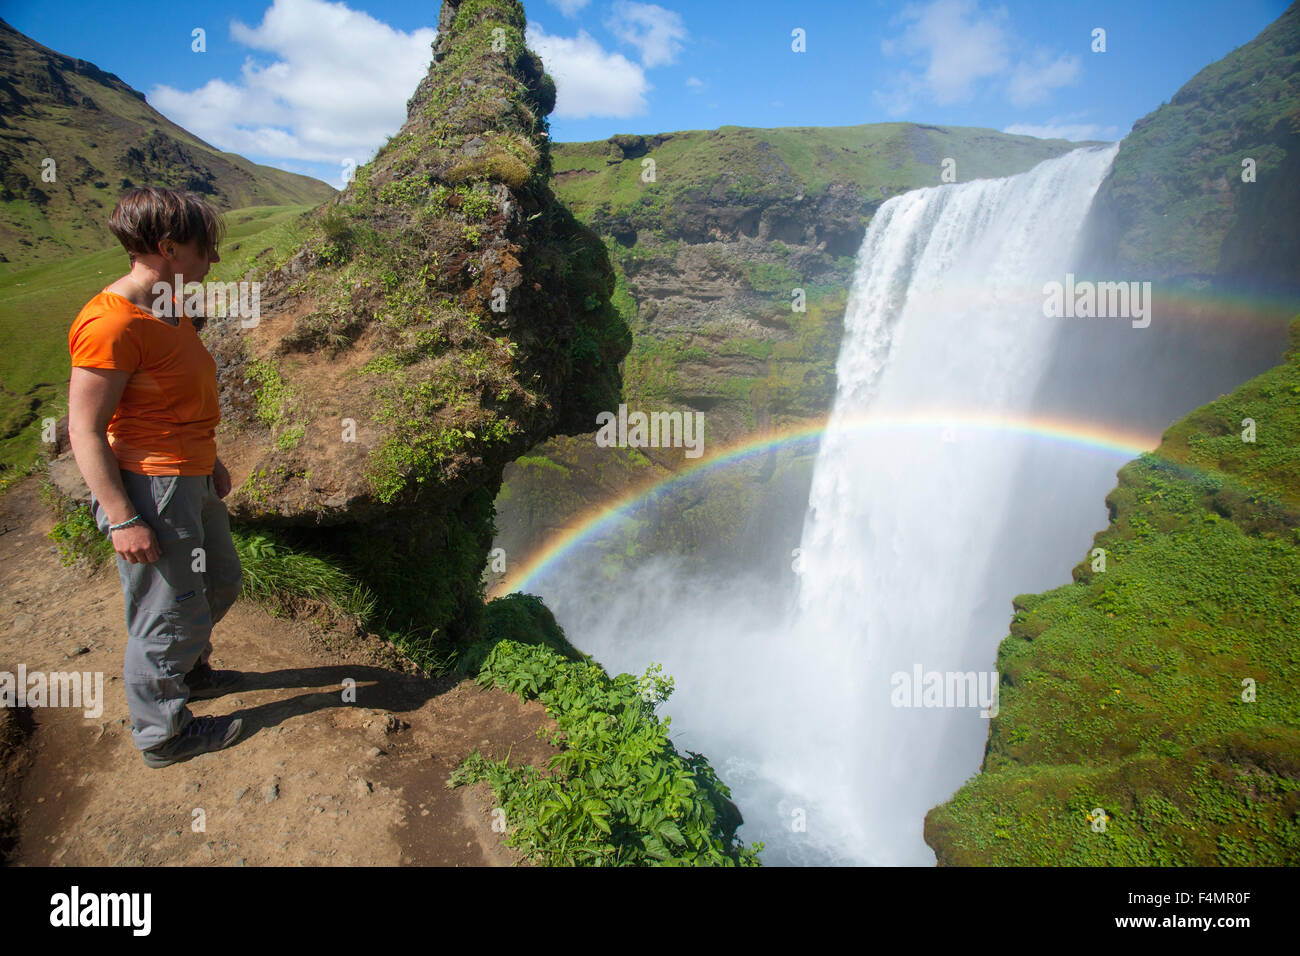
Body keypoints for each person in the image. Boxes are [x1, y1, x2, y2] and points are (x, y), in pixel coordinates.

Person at [66, 186, 245, 768]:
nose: (212, 261)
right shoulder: (112, 324)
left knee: (220, 580)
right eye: (204, 248)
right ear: (168, 247)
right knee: (165, 614)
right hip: (153, 486)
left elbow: (180, 397)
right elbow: (85, 430)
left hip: (189, 474)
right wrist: (123, 518)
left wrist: (209, 458)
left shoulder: (173, 307)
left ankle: (188, 670)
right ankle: (163, 734)